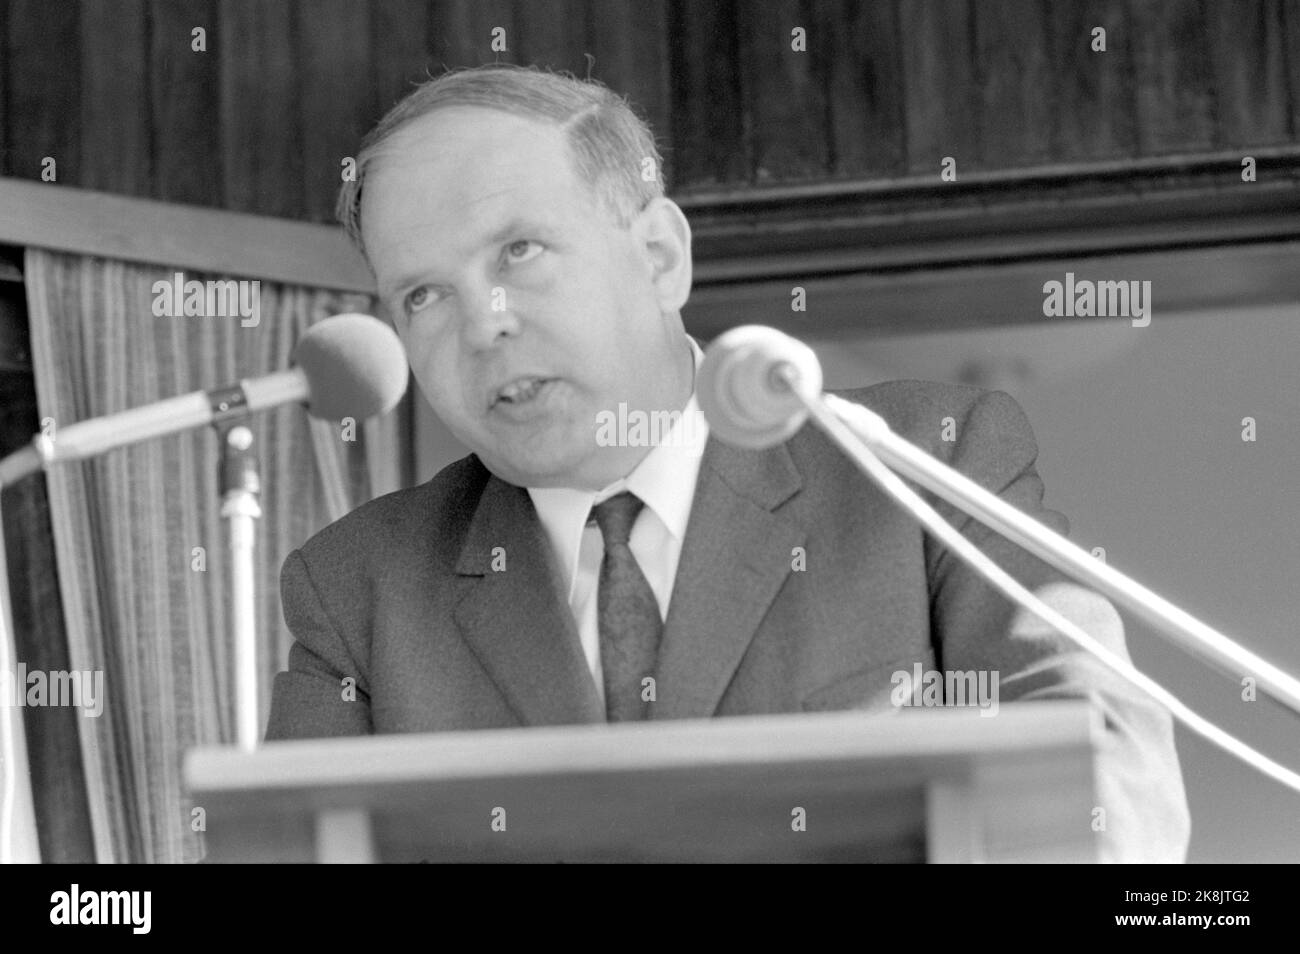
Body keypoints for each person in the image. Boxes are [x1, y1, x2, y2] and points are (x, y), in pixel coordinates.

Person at [265, 64, 1190, 862]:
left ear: (660, 256)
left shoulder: (922, 469)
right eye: (423, 293)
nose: (484, 321)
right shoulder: (356, 589)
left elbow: (1107, 777)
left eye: (520, 250)